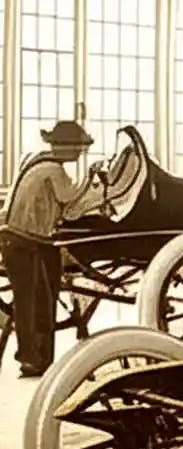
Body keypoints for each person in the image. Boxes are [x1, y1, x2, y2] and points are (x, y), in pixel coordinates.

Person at [0, 121, 96, 377]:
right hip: (25, 242)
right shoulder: (54, 170)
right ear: (67, 147)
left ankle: (37, 358)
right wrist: (95, 192)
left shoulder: (38, 162)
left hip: (22, 239)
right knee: (34, 301)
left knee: (37, 299)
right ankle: (33, 359)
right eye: (78, 147)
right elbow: (73, 205)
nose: (79, 153)